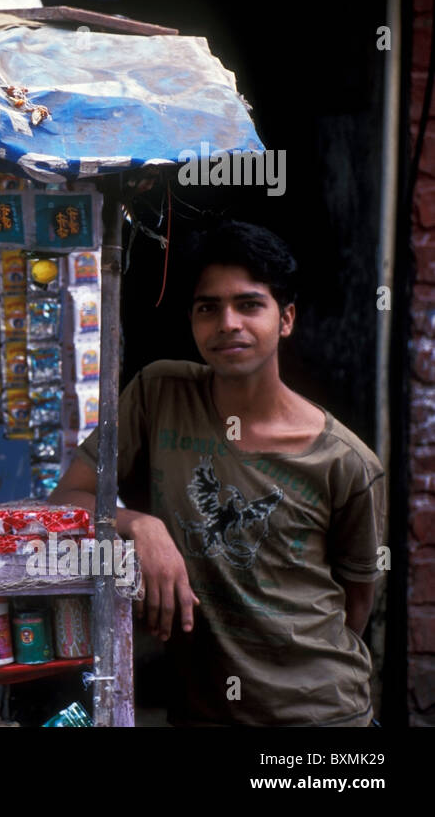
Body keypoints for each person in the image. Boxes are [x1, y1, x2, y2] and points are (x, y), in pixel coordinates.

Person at [50, 220, 386, 726]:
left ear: (286, 319)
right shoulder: (159, 394)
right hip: (200, 712)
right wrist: (140, 525)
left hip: (318, 715)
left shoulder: (345, 462)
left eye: (249, 304)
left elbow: (356, 606)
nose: (227, 322)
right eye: (209, 308)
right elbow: (67, 498)